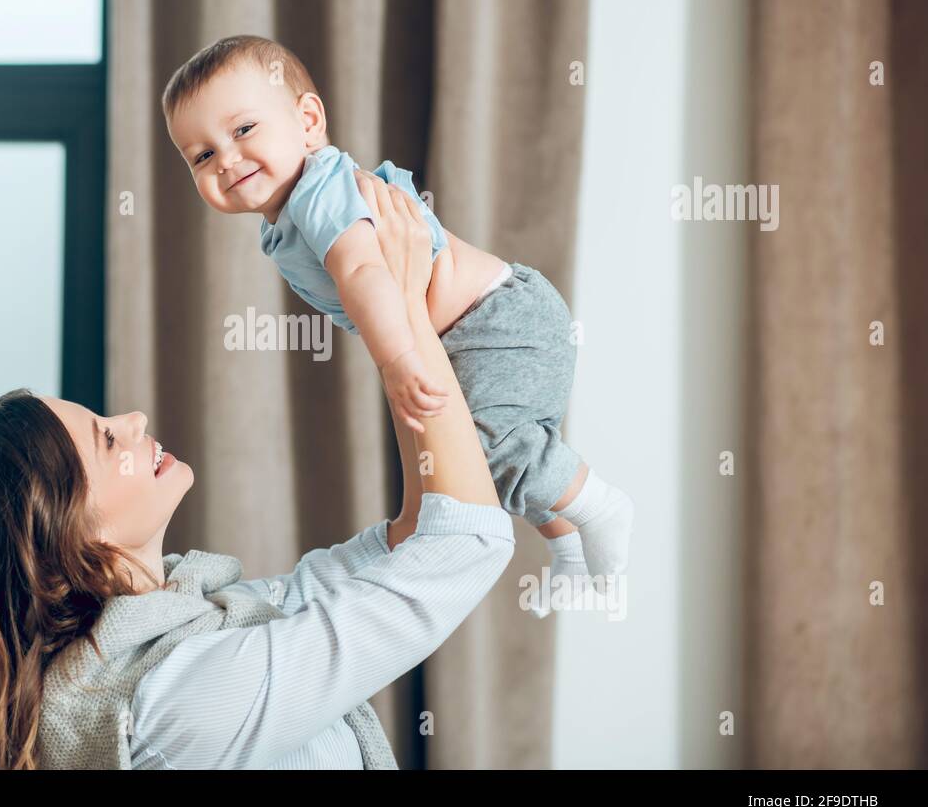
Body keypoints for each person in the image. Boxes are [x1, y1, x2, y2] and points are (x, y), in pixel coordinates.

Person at [0, 173, 514, 769]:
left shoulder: (199, 620)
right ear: (69, 528)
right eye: (104, 438)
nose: (133, 418)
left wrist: (393, 327)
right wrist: (404, 314)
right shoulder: (176, 697)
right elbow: (463, 543)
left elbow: (412, 539)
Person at [162, 34, 634, 604]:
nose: (227, 158)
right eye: (203, 155)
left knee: (489, 448)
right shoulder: (288, 215)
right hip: (475, 328)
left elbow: (364, 272)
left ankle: (602, 506)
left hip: (494, 322)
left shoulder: (319, 192)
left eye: (242, 130)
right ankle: (570, 549)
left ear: (308, 119)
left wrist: (400, 361)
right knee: (492, 461)